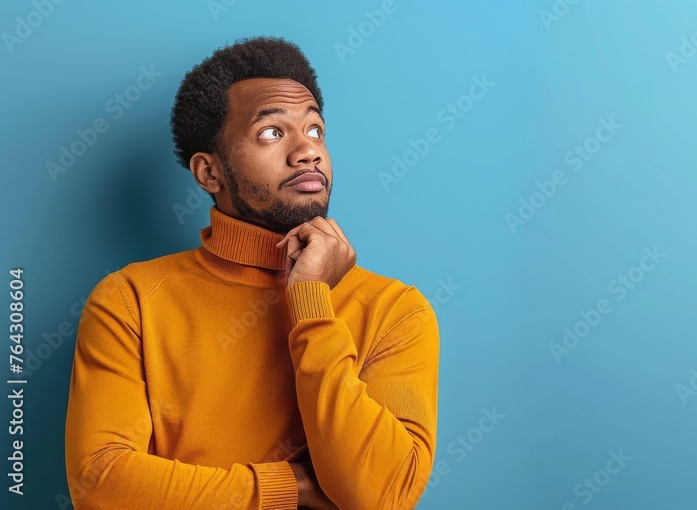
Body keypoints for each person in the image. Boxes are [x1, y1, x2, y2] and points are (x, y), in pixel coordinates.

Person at [64, 36, 439, 510]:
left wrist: (311, 303)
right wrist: (290, 486)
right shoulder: (131, 300)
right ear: (209, 173)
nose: (307, 151)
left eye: (315, 130)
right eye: (271, 133)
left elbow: (381, 496)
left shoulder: (395, 311)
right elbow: (100, 484)